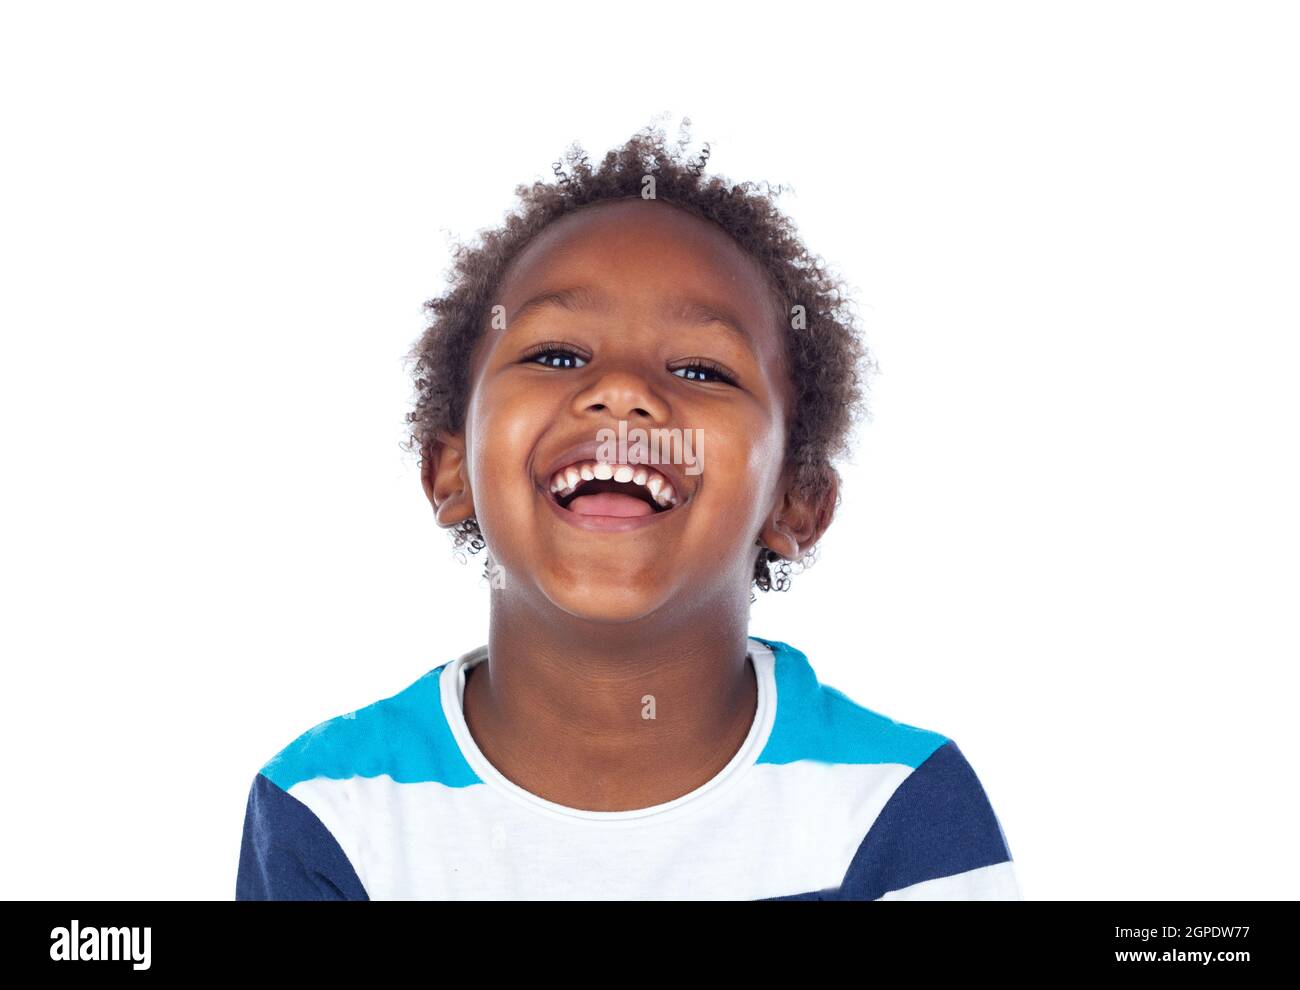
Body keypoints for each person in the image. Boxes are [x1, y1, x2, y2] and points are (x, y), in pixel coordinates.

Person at [236, 119, 1021, 900]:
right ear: (449, 470)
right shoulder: (326, 810)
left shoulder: (899, 811)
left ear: (797, 501)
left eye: (702, 369)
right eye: (556, 356)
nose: (623, 393)